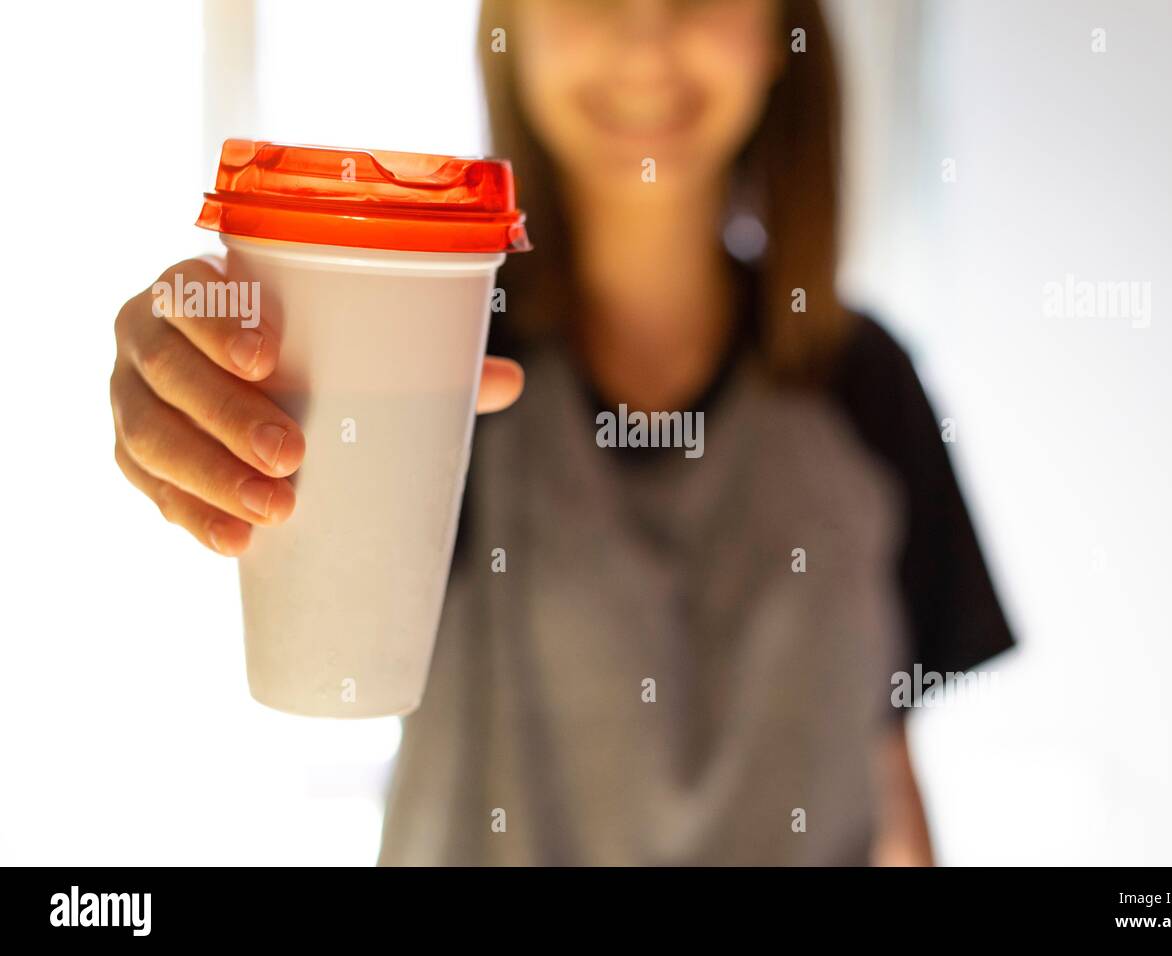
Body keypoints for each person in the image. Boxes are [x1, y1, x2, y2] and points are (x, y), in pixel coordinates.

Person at [109, 0, 1013, 865]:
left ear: (784, 28)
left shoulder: (869, 388)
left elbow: (882, 764)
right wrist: (203, 372)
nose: (647, 40)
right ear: (509, 29)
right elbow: (288, 529)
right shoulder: (437, 359)